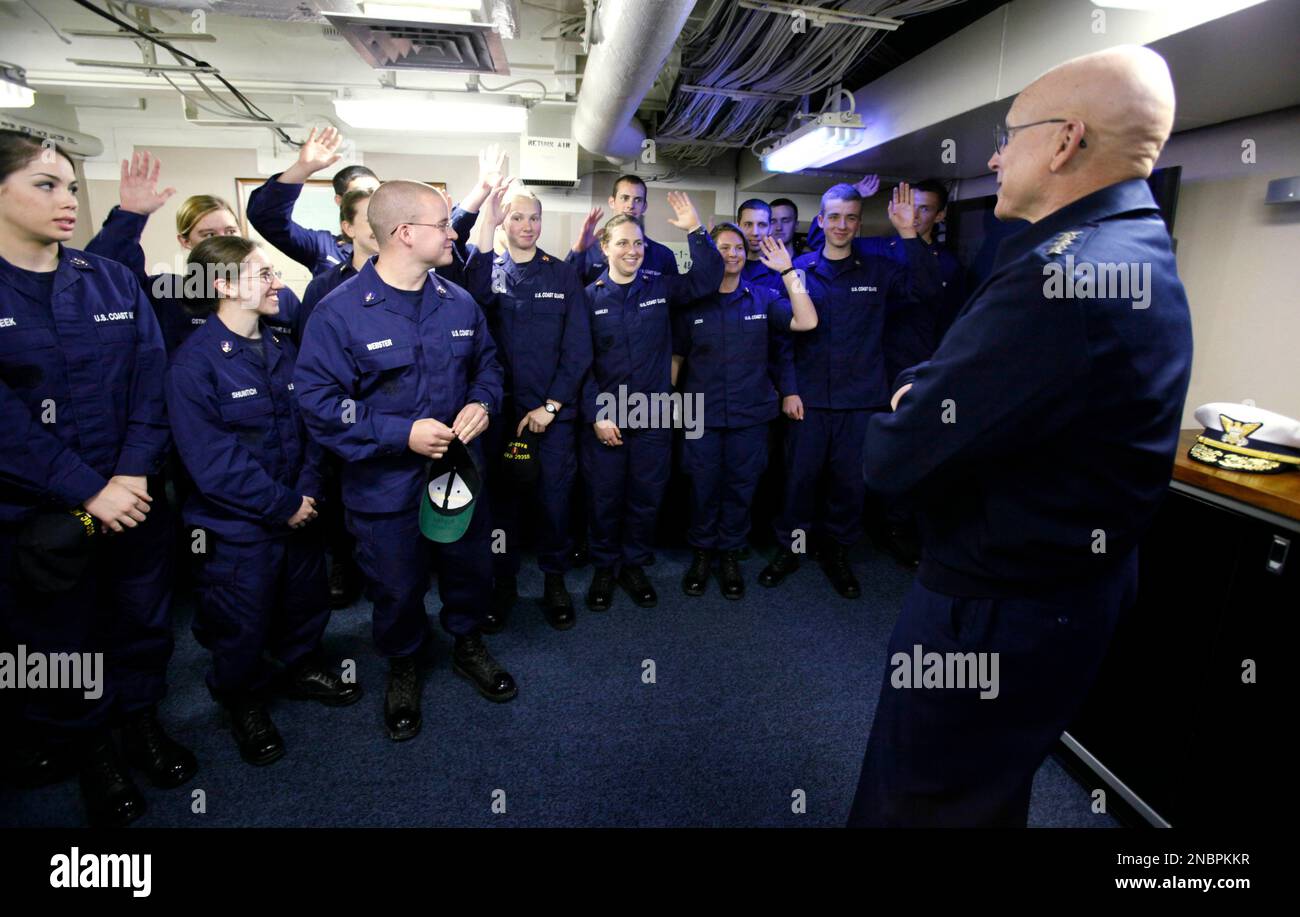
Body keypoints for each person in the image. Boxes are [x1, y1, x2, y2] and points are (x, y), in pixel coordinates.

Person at [847, 45, 1193, 827]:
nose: (998, 156)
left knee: (917, 801)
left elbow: (892, 455)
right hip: (1069, 597)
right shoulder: (1135, 246)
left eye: (1010, 134)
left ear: (1066, 140)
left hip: (994, 611)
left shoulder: (1056, 279)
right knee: (983, 794)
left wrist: (918, 397)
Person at [0, 129, 194, 826]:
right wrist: (89, 488)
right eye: (46, 185)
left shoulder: (106, 277)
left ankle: (141, 720)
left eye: (72, 188)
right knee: (63, 639)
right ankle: (92, 749)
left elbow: (151, 377)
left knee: (142, 618)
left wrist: (133, 473)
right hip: (41, 515)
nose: (66, 201)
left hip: (135, 496)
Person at [294, 180, 514, 743]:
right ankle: (404, 664)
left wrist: (482, 403)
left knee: (469, 570)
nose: (453, 232)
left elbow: (489, 368)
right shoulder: (338, 312)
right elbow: (319, 405)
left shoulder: (458, 300)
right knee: (396, 587)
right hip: (383, 484)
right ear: (404, 233)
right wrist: (400, 433)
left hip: (457, 476)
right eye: (444, 223)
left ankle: (467, 642)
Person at [165, 238, 360, 766]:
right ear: (224, 286)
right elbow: (214, 463)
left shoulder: (283, 346)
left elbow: (312, 428)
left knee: (305, 600)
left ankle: (300, 665)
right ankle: (241, 698)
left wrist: (310, 491)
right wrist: (283, 504)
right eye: (263, 274)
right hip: (238, 528)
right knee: (240, 622)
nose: (277, 283)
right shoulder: (194, 366)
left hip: (300, 508)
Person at [758, 182, 939, 598]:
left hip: (860, 399)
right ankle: (791, 548)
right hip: (808, 399)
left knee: (848, 485)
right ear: (821, 221)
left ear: (858, 224)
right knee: (799, 481)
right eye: (834, 217)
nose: (842, 225)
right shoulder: (798, 268)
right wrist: (788, 389)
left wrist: (909, 234)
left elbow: (927, 291)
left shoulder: (878, 270)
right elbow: (784, 338)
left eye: (850, 217)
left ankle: (837, 553)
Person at [580, 192, 722, 611]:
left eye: (638, 243)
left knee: (646, 495)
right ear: (604, 248)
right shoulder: (589, 299)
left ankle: (634, 564)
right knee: (604, 497)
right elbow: (578, 364)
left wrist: (696, 230)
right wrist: (596, 414)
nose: (632, 250)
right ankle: (605, 566)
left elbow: (708, 277)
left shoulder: (660, 285)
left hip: (654, 417)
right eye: (622, 243)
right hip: (607, 419)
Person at [463, 183, 592, 631]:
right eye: (516, 217)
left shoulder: (561, 274)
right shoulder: (486, 271)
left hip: (550, 417)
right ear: (502, 221)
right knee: (501, 506)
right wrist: (485, 218)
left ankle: (554, 580)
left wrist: (552, 406)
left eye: (533, 217)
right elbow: (471, 300)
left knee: (555, 501)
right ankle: (503, 583)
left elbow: (578, 348)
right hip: (498, 417)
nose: (526, 225)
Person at [672, 227, 817, 599]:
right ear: (710, 254)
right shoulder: (692, 304)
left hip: (750, 415)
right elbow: (676, 360)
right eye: (723, 247)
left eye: (738, 247)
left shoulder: (765, 297)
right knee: (702, 487)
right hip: (700, 415)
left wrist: (788, 272)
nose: (732, 253)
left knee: (741, 486)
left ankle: (730, 553)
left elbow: (807, 321)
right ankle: (703, 553)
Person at [86, 152, 299, 352]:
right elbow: (107, 275)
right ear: (185, 241)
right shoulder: (168, 294)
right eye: (208, 235)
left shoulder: (277, 294)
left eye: (230, 231)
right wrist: (130, 217)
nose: (223, 240)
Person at [295, 187, 377, 609]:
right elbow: (312, 364)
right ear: (346, 228)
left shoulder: (412, 284)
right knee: (339, 491)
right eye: (368, 217)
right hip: (341, 413)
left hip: (384, 415)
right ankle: (343, 562)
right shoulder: (325, 289)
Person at [567, 174, 682, 285]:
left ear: (644, 207)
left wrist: (695, 230)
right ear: (612, 202)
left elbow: (677, 299)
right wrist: (578, 250)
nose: (630, 205)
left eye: (637, 200)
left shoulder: (663, 255)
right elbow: (566, 288)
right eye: (624, 198)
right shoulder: (587, 251)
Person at [736, 198, 781, 290]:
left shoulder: (781, 269)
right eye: (748, 224)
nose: (755, 232)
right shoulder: (725, 265)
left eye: (761, 225)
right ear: (738, 226)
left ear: (770, 228)